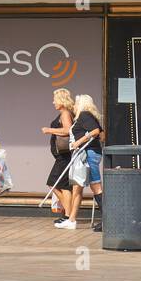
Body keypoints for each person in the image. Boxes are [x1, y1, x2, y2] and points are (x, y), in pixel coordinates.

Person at [65, 94, 105, 232]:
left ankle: (109, 219)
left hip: (88, 154)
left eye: (76, 103)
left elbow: (95, 132)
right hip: (91, 153)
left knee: (96, 186)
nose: (74, 106)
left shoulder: (84, 115)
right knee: (92, 185)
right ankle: (108, 219)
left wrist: (79, 141)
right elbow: (102, 134)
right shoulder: (91, 116)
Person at [42, 88, 76, 228]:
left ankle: (68, 214)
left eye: (55, 99)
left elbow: (68, 130)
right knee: (63, 185)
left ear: (61, 100)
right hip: (62, 156)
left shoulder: (65, 113)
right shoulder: (64, 113)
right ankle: (67, 214)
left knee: (55, 183)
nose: (53, 102)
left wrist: (49, 130)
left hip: (64, 156)